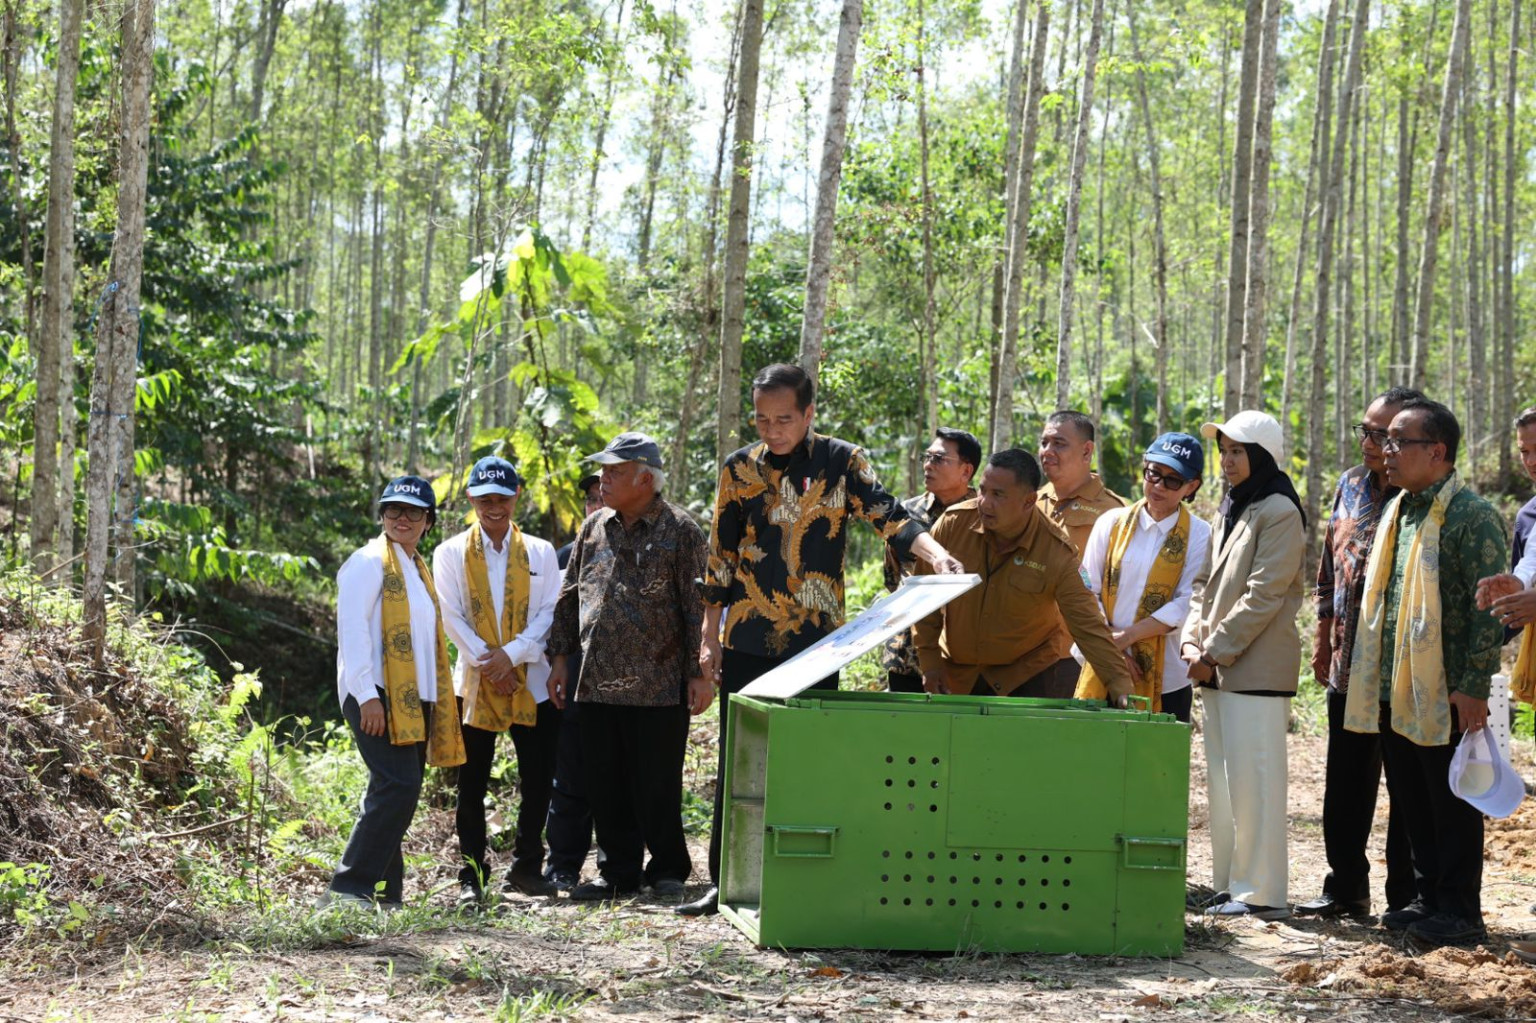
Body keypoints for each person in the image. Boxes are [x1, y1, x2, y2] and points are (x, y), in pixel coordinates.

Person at [682, 363, 964, 917]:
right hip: (746, 636)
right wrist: (708, 640)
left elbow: (891, 517)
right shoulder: (739, 469)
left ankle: (800, 877)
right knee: (741, 758)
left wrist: (936, 555)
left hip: (817, 642)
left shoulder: (841, 461)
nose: (772, 430)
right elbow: (720, 558)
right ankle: (727, 878)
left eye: (784, 419)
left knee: (807, 758)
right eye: (762, 420)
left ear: (809, 414)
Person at [1351, 399, 1504, 947]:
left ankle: (1461, 910)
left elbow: (1491, 610)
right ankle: (1427, 897)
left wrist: (1474, 686)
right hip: (1399, 684)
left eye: (1398, 442)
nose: (1385, 452)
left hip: (1448, 689)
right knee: (1413, 797)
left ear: (1436, 452)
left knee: (1451, 800)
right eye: (1385, 441)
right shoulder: (1403, 510)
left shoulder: (1471, 515)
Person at [547, 433, 714, 902]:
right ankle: (617, 871)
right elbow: (569, 596)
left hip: (659, 685)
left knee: (656, 782)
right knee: (605, 782)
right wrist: (560, 660)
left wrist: (700, 673)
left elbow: (695, 607)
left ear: (645, 478)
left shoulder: (681, 530)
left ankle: (667, 869)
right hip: (596, 679)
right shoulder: (595, 526)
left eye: (614, 471)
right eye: (604, 471)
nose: (604, 479)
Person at [1294, 388, 1421, 921]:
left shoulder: (1419, 498)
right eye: (1365, 431)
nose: (1371, 444)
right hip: (1348, 664)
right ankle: (1346, 888)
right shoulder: (1350, 484)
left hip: (1403, 670)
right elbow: (1329, 567)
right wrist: (1323, 636)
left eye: (1382, 434)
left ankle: (1408, 899)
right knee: (1346, 780)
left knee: (1408, 784)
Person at [1180, 410, 1305, 921]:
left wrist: (1214, 652)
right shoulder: (1233, 507)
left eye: (1238, 452)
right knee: (1226, 782)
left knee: (1254, 781)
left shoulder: (1279, 511)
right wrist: (1192, 642)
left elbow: (1264, 596)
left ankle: (1262, 891)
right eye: (1224, 451)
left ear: (1262, 456)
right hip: (1216, 665)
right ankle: (1231, 884)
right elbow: (1202, 585)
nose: (1228, 462)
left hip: (1252, 667)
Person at [324, 475, 465, 907]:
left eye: (413, 511)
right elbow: (351, 631)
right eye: (394, 510)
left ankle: (386, 895)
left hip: (412, 699)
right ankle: (348, 888)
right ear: (382, 516)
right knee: (397, 785)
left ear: (428, 521)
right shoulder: (368, 562)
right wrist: (367, 694)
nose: (402, 518)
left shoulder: (416, 571)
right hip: (377, 693)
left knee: (396, 788)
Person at [433, 457, 561, 903]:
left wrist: (512, 656)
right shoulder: (449, 553)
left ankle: (528, 866)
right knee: (472, 783)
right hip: (474, 682)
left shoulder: (542, 552)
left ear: (515, 498)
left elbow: (549, 613)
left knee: (539, 779)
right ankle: (472, 875)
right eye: (485, 499)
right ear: (470, 499)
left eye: (502, 499)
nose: (494, 507)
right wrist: (491, 663)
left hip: (534, 681)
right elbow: (450, 615)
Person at [913, 447, 1133, 703]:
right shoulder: (953, 525)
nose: (985, 502)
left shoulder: (1056, 552)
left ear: (1029, 501)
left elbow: (1088, 624)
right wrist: (929, 663)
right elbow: (925, 599)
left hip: (1026, 675)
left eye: (998, 495)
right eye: (983, 490)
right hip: (958, 676)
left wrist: (1120, 685)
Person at [1072, 433, 1210, 723]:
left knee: (1155, 764)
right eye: (1154, 473)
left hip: (1168, 678)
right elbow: (1085, 589)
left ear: (1191, 486)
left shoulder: (1201, 535)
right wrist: (1113, 652)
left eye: (1173, 480)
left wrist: (1128, 637)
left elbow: (1188, 602)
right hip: (1101, 667)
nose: (1159, 485)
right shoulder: (1110, 523)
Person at [542, 472, 608, 891]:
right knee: (569, 779)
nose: (597, 505)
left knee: (620, 780)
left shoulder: (649, 548)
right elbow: (555, 620)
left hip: (632, 688)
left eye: (606, 496)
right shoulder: (566, 556)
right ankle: (562, 865)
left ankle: (615, 867)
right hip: (576, 682)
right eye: (590, 498)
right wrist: (558, 666)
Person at [881, 427, 982, 693]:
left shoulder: (984, 516)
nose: (928, 465)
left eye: (939, 459)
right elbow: (893, 578)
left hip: (963, 658)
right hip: (907, 654)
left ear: (966, 471)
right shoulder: (906, 514)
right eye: (927, 457)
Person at [1036, 411, 1127, 695]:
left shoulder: (1115, 513)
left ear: (1087, 451)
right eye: (1044, 442)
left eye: (1059, 444)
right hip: (1025, 658)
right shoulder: (1030, 503)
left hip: (1077, 657)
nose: (1048, 451)